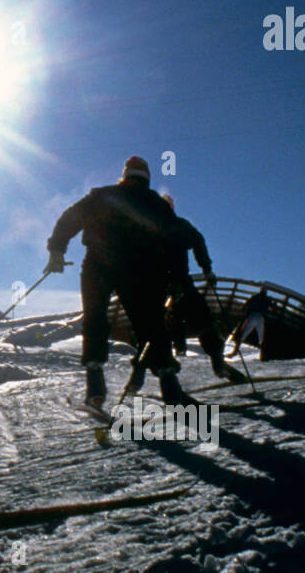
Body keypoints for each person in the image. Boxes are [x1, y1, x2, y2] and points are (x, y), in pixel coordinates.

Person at [44, 155, 199, 409]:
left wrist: (57, 251)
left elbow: (70, 218)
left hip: (98, 265)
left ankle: (95, 384)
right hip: (139, 270)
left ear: (124, 175)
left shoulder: (101, 195)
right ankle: (170, 386)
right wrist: (179, 279)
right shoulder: (157, 205)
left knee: (95, 317)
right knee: (151, 325)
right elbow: (175, 243)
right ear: (147, 179)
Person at [125, 193, 244, 391]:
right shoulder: (179, 225)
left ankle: (137, 376)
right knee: (202, 320)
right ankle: (217, 361)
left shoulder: (146, 226)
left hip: (158, 285)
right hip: (179, 281)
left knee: (152, 327)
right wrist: (207, 269)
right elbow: (199, 242)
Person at [232, 286, 273, 357]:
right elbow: (274, 309)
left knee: (243, 334)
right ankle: (262, 355)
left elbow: (245, 305)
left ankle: (234, 351)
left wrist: (243, 312)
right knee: (261, 337)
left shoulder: (254, 297)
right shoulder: (267, 299)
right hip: (261, 318)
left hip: (252, 316)